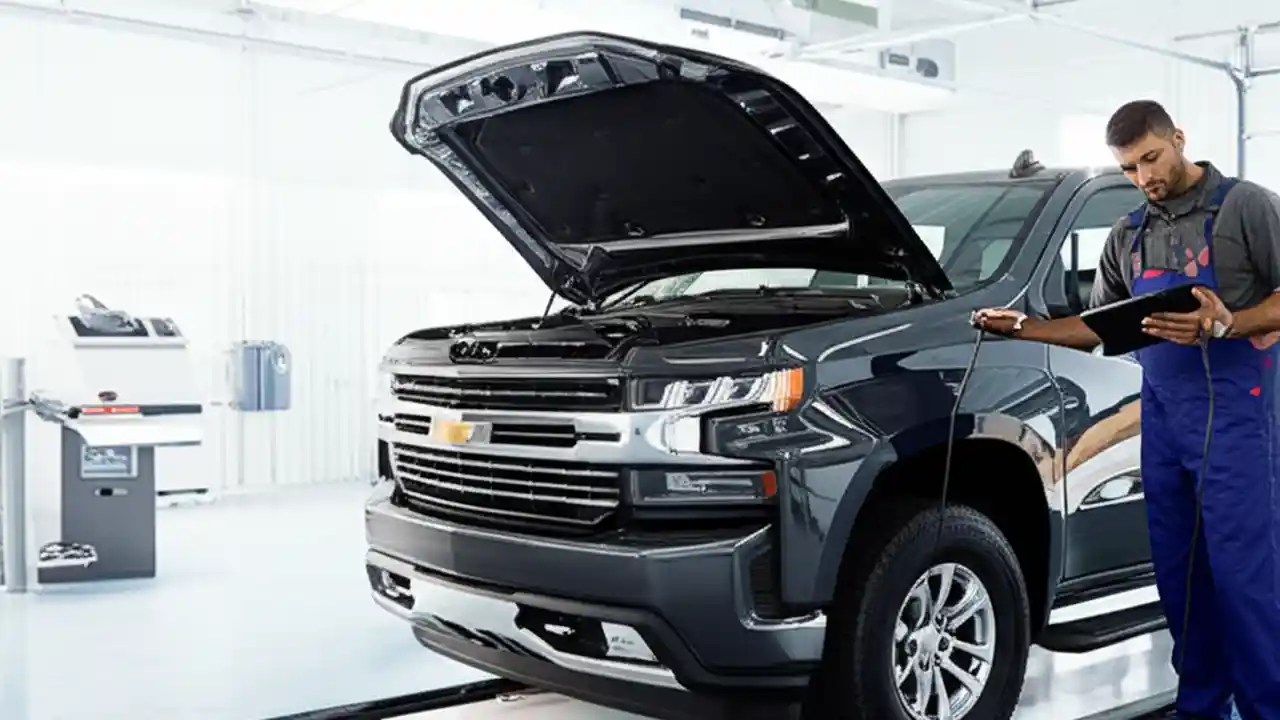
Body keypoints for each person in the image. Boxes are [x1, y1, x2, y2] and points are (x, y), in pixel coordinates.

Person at [974, 100, 1280, 720]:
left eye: (1152, 158)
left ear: (1179, 140)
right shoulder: (1128, 235)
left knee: (1248, 581)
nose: (1145, 177)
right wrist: (1027, 328)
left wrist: (1228, 325)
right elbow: (1098, 327)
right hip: (1163, 424)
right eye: (1130, 168)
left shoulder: (1246, 206)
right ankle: (1201, 710)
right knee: (1181, 582)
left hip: (1241, 422)